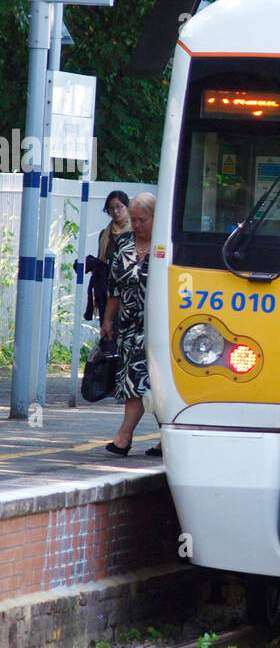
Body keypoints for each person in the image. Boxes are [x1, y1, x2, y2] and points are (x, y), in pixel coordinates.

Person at [101, 192, 160, 457]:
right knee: (141, 381)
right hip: (128, 324)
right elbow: (113, 287)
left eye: (142, 220)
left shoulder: (165, 247)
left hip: (157, 324)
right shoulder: (124, 244)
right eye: (134, 220)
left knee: (139, 380)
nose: (136, 225)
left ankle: (123, 437)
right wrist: (107, 320)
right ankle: (167, 437)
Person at [84, 191, 131, 324]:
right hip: (107, 290)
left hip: (127, 291)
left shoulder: (135, 233)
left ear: (127, 207)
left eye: (119, 206)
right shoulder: (105, 235)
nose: (115, 211)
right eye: (111, 208)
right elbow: (102, 259)